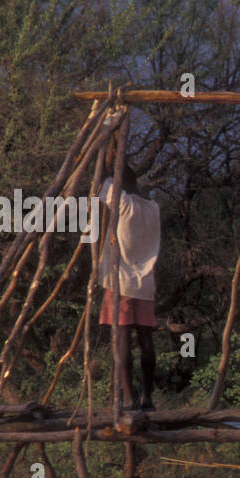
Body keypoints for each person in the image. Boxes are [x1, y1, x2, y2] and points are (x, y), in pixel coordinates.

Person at [93, 151, 161, 411]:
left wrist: (107, 153)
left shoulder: (122, 203)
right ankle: (147, 397)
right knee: (146, 340)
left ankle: (128, 398)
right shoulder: (152, 208)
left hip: (120, 282)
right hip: (146, 283)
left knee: (121, 340)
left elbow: (102, 181)